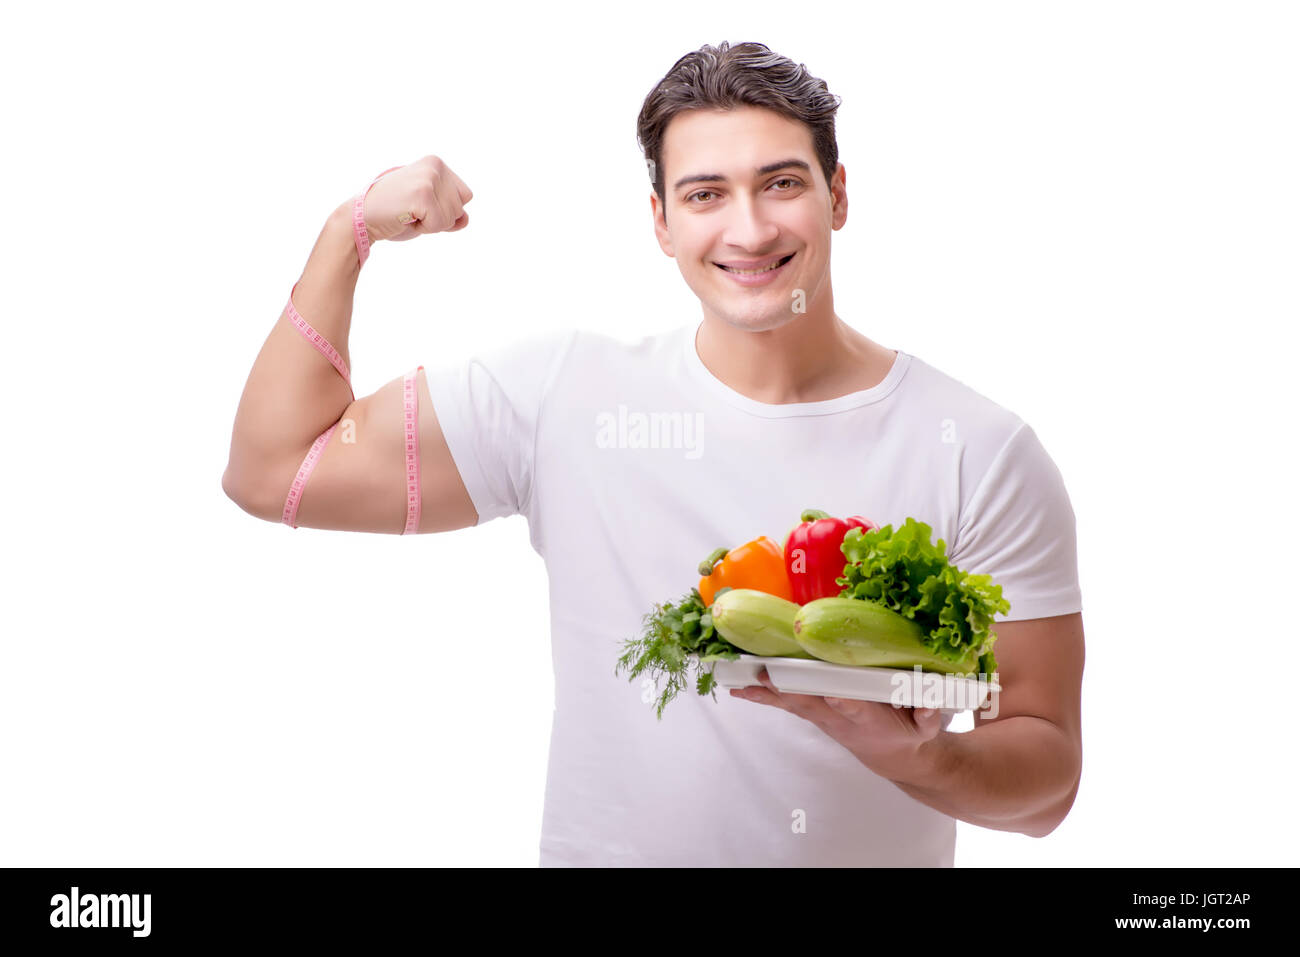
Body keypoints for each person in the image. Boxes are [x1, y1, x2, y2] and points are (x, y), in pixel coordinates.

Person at [222, 40, 1085, 867]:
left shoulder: (980, 449)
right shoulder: (562, 395)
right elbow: (275, 470)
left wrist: (918, 761)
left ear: (840, 196)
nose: (748, 229)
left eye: (781, 183)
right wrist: (350, 232)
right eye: (705, 194)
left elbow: (1046, 781)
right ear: (662, 223)